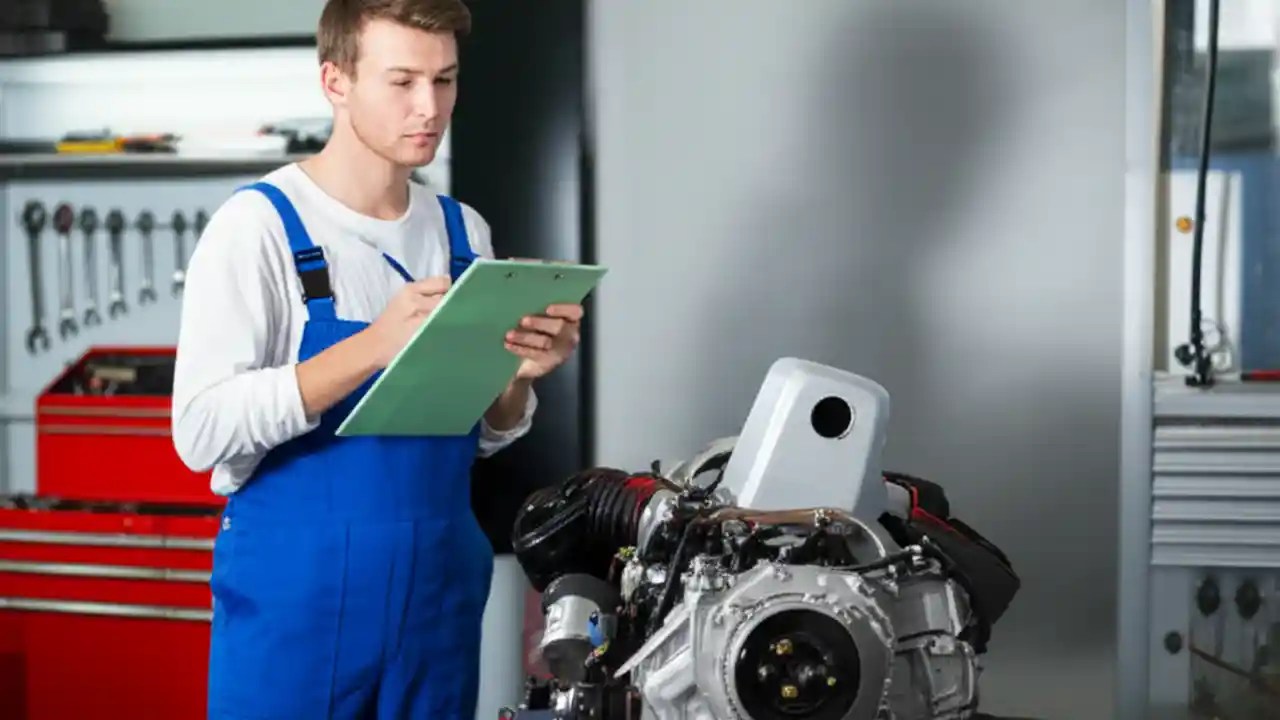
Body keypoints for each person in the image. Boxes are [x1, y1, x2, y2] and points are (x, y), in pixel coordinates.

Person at [170, 0, 583, 717]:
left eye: (445, 80)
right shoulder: (259, 227)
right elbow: (200, 430)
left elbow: (489, 431)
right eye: (402, 82)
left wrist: (515, 378)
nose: (429, 107)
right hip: (299, 593)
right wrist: (375, 344)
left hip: (438, 592)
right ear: (335, 81)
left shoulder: (462, 232)